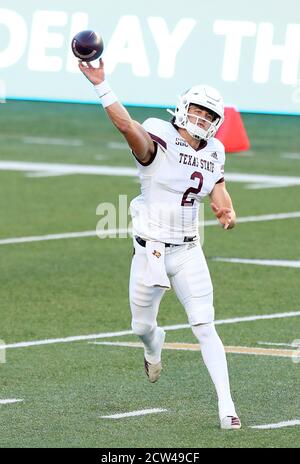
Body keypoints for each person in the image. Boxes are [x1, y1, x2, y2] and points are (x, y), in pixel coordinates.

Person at [79, 58, 241, 430]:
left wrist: (225, 208)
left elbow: (216, 185)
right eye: (197, 110)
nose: (201, 119)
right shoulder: (158, 135)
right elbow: (126, 126)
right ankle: (154, 346)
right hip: (149, 249)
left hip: (187, 250)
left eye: (208, 114)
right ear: (183, 108)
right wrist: (101, 85)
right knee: (141, 326)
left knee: (205, 325)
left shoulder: (215, 149)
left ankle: (227, 407)